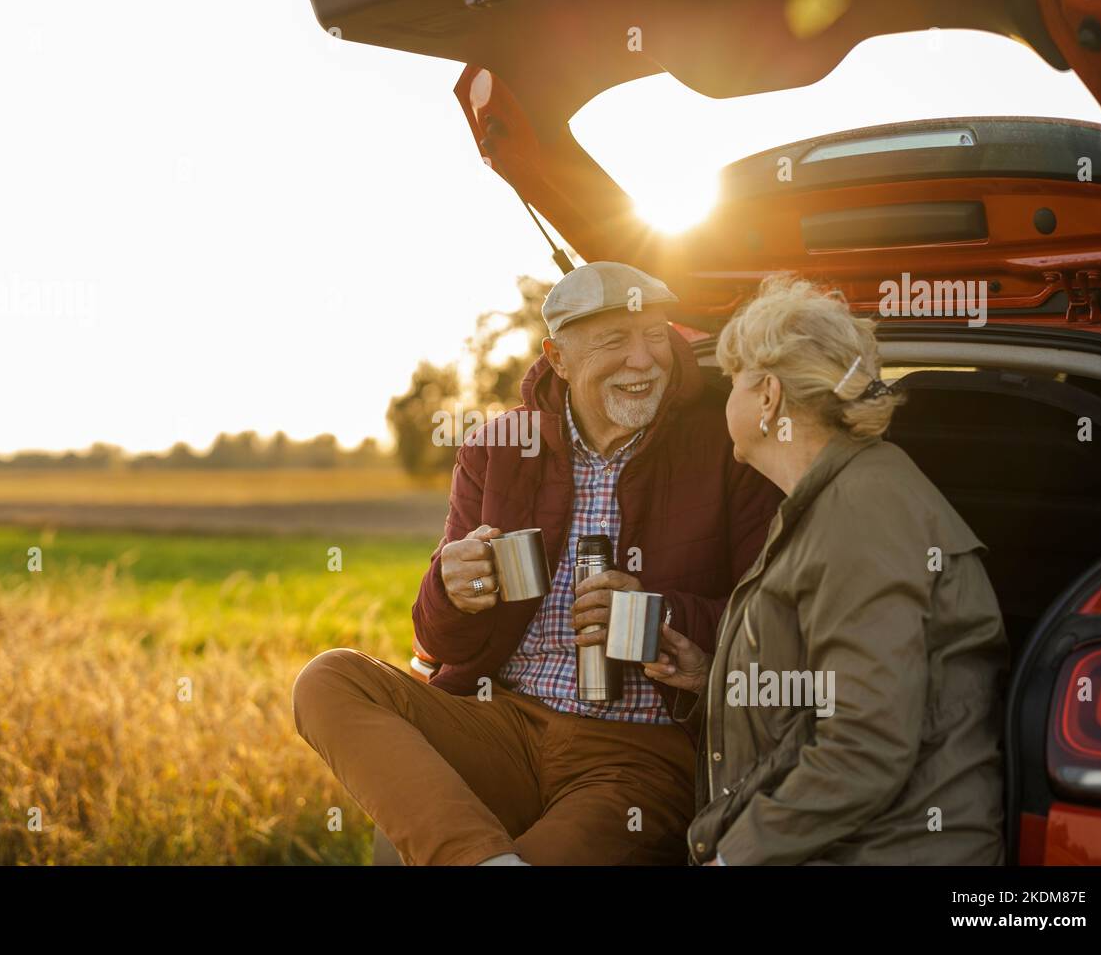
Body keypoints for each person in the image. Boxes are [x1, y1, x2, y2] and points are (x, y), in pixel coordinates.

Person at [293, 261, 782, 865]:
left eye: (656, 335)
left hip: (637, 753)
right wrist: (450, 589)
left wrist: (663, 613)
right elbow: (435, 638)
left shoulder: (727, 445)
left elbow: (770, 617)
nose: (644, 359)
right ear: (558, 357)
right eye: (612, 341)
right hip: (501, 723)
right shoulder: (498, 449)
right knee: (330, 677)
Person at [648, 273, 1008, 865]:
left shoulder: (864, 512)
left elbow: (864, 746)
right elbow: (818, 699)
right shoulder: (829, 500)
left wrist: (731, 859)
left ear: (767, 399)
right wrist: (712, 677)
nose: (724, 400)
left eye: (732, 383)